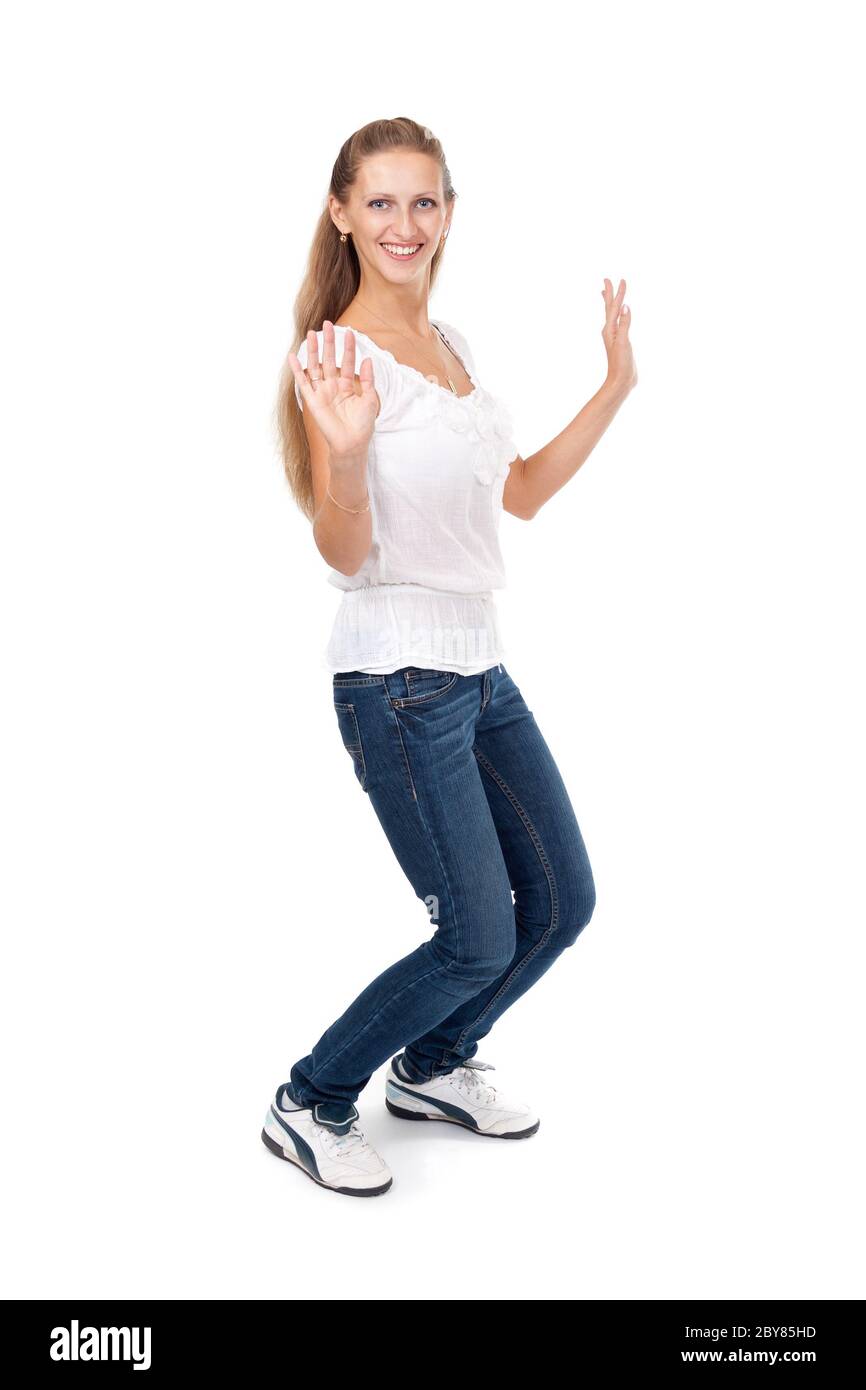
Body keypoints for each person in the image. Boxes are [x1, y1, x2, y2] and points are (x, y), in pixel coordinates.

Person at [262, 117, 637, 1197]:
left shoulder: (453, 346)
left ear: (449, 213)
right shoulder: (334, 355)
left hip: (480, 669)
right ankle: (310, 1096)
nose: (402, 223)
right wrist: (340, 460)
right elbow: (344, 551)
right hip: (393, 680)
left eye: (422, 200)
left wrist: (611, 385)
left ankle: (429, 1065)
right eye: (378, 201)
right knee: (475, 935)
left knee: (560, 901)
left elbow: (513, 491)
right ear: (340, 212)